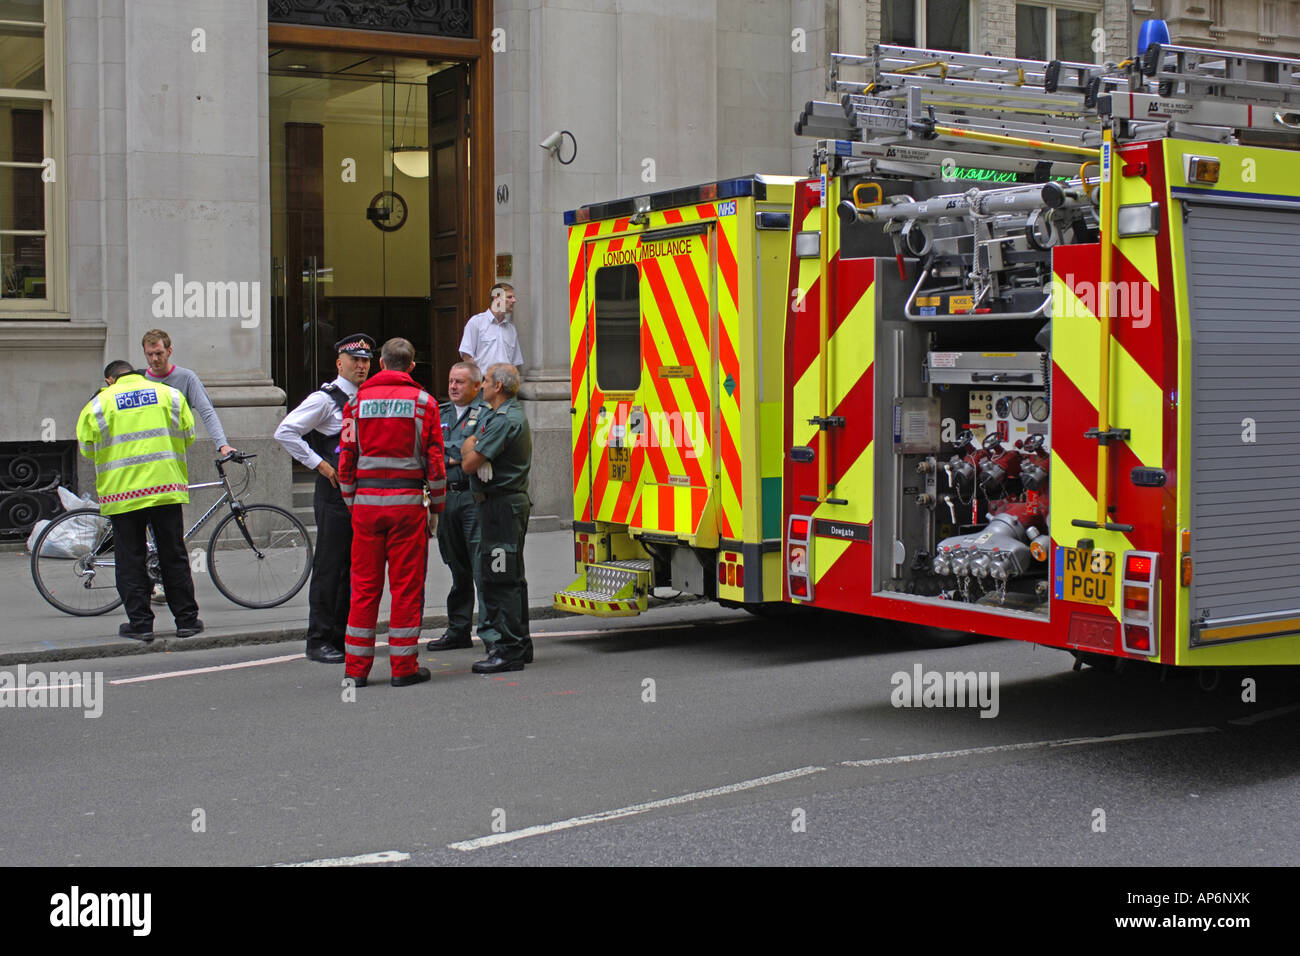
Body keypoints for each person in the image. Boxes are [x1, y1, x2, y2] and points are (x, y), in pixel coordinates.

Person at [337, 337, 447, 687]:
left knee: (364, 588)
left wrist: (352, 501)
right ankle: (403, 668)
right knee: (406, 587)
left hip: (366, 506)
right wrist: (436, 507)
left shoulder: (355, 403)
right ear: (411, 366)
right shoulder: (425, 404)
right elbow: (435, 462)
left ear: (381, 363)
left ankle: (356, 671)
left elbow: (346, 460)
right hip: (408, 506)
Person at [76, 360, 204, 642]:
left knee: (130, 559)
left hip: (122, 494)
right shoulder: (169, 395)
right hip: (164, 488)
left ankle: (141, 624)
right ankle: (187, 621)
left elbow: (86, 449)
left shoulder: (99, 404)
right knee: (173, 554)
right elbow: (188, 436)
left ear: (110, 380)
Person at [274, 334, 375, 664]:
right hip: (333, 493)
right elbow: (285, 431)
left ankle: (341, 636)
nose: (361, 366)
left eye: (366, 360)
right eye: (354, 360)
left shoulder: (368, 396)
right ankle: (318, 640)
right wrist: (319, 464)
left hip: (360, 491)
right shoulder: (325, 399)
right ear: (339, 363)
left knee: (351, 568)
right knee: (330, 567)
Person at [459, 363, 533, 673]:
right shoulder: (496, 415)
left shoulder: (503, 420)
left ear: (498, 386)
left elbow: (467, 463)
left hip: (500, 509)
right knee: (509, 576)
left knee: (501, 579)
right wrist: (475, 447)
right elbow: (467, 440)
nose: (483, 385)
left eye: (486, 380)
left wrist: (475, 451)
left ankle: (508, 649)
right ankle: (520, 645)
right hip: (500, 507)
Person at [426, 362, 490, 653]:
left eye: (460, 382)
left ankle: (492, 635)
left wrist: (452, 454)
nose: (453, 386)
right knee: (456, 567)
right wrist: (458, 454)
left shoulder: (486, 412)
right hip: (446, 498)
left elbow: (478, 448)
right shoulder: (439, 413)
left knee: (482, 569)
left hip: (473, 497)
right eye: (451, 381)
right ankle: (458, 629)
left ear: (477, 386)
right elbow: (431, 448)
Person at [141, 329, 236, 456]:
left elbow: (207, 411)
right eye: (150, 354)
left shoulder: (187, 378)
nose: (154, 359)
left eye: (159, 353)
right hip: (146, 452)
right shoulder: (140, 380)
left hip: (175, 453)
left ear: (169, 351)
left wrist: (222, 444)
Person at [458, 283, 524, 373]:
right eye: (509, 297)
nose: (514, 300)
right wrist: (478, 378)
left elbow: (515, 362)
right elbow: (466, 355)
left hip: (506, 380)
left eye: (513, 297)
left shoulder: (511, 329)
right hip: (483, 379)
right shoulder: (476, 322)